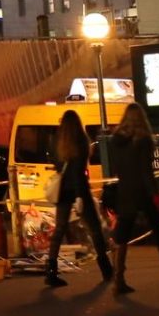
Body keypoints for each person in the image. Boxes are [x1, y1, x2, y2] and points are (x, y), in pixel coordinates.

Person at [105, 101, 159, 295]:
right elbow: (146, 172)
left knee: (122, 235)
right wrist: (155, 194)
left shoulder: (115, 140)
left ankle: (118, 279)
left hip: (125, 191)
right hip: (143, 192)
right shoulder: (143, 140)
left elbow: (116, 169)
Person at [43, 108, 113, 289]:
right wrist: (81, 196)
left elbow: (58, 164)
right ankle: (106, 269)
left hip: (63, 192)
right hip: (79, 190)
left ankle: (51, 272)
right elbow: (78, 171)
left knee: (59, 230)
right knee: (94, 229)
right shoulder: (81, 140)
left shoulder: (57, 141)